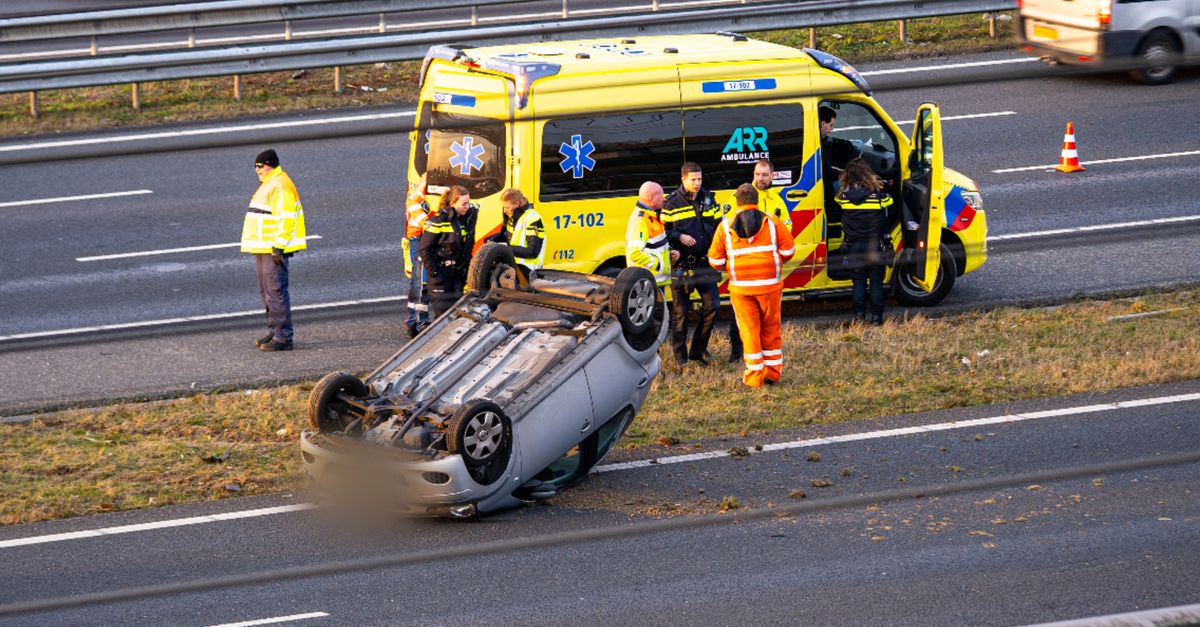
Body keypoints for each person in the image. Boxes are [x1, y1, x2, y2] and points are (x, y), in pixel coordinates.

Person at [708, 183, 795, 388]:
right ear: (756, 200)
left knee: (749, 331)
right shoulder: (772, 222)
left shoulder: (724, 226)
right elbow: (788, 251)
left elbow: (715, 260)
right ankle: (773, 373)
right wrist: (773, 263)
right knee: (771, 328)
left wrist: (730, 267)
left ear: (737, 201)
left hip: (741, 288)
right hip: (770, 286)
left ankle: (755, 376)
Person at [728, 159, 795, 362]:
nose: (761, 178)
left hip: (766, 268)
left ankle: (763, 353)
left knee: (766, 317)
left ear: (772, 176)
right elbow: (728, 230)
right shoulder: (737, 199)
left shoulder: (776, 201)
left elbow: (787, 229)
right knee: (740, 314)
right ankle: (737, 351)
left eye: (765, 175)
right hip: (744, 267)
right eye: (757, 174)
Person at [241, 148, 306, 352]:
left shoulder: (280, 185)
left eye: (259, 166)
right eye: (255, 167)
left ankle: (283, 337)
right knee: (267, 292)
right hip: (263, 248)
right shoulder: (270, 184)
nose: (257, 170)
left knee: (275, 292)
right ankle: (274, 331)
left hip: (273, 249)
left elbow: (286, 219)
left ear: (269, 164)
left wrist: (278, 247)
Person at [662, 163, 721, 366]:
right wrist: (679, 236)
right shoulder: (671, 203)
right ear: (683, 179)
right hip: (682, 265)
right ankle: (681, 359)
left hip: (705, 262)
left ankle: (698, 350)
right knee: (680, 314)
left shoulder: (708, 198)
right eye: (693, 179)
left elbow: (717, 225)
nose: (697, 183)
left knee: (713, 306)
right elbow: (662, 232)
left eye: (700, 179)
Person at [836, 158, 894, 325]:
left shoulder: (844, 197)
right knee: (876, 282)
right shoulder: (877, 195)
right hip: (874, 245)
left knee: (858, 282)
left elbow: (836, 204)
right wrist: (880, 186)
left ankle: (859, 318)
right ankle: (877, 318)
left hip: (854, 245)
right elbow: (890, 203)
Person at [419, 185, 476, 318]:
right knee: (443, 316)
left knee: (456, 315)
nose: (468, 206)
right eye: (464, 204)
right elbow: (425, 248)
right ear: (452, 203)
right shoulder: (438, 221)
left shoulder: (465, 219)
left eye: (469, 203)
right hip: (440, 276)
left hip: (456, 275)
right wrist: (434, 272)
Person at [488, 188, 545, 279]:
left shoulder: (532, 218)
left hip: (529, 271)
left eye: (507, 207)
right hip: (514, 266)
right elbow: (506, 237)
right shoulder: (512, 215)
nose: (505, 211)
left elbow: (532, 251)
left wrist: (506, 248)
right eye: (504, 207)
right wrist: (492, 240)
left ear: (517, 204)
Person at [625, 181, 671, 287]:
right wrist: (658, 264)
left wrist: (669, 253)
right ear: (651, 198)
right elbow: (635, 253)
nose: (664, 199)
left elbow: (655, 245)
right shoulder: (641, 220)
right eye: (661, 196)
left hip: (653, 280)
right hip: (647, 282)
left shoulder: (651, 216)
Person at [403, 174, 432, 338]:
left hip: (429, 234)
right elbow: (412, 202)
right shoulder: (431, 179)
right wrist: (426, 223)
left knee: (424, 281)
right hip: (419, 236)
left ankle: (419, 321)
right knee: (419, 281)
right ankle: (415, 322)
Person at [819, 105, 859, 198]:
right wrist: (846, 173)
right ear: (823, 123)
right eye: (831, 125)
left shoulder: (818, 140)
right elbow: (828, 173)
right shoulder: (817, 143)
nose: (831, 129)